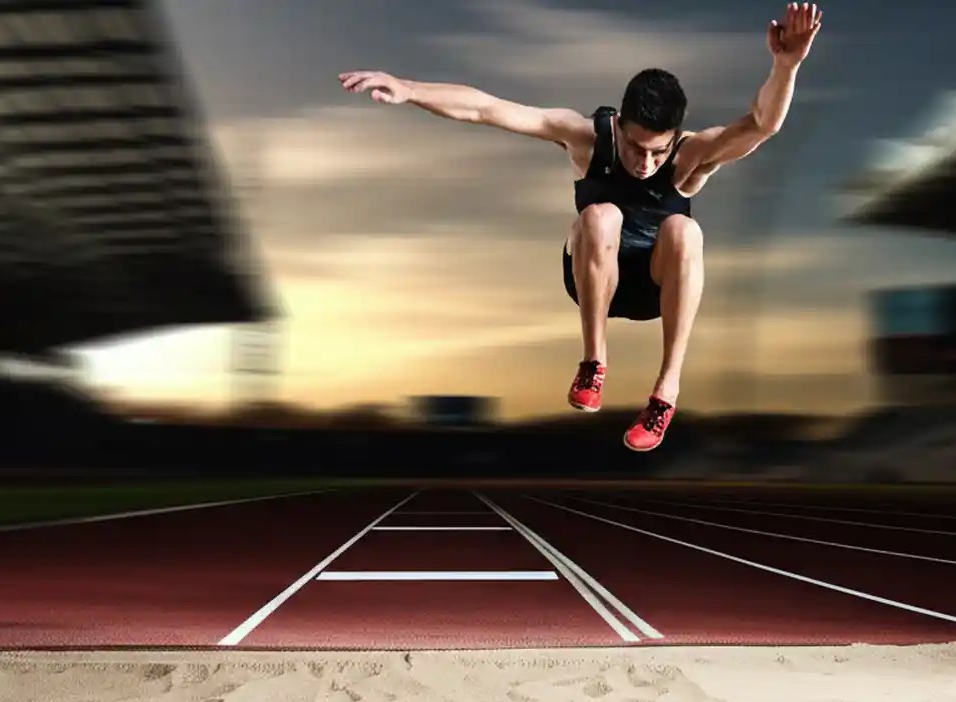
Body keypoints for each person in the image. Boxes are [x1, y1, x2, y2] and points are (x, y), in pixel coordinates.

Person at [339, 3, 822, 452]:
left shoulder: (692, 154)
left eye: (659, 151)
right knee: (601, 213)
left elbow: (762, 124)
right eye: (636, 148)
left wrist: (786, 67)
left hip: (658, 286)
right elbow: (487, 108)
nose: (647, 163)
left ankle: (665, 392)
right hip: (594, 275)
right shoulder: (586, 137)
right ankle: (594, 363)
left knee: (684, 231)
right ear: (619, 128)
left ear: (675, 137)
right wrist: (409, 88)